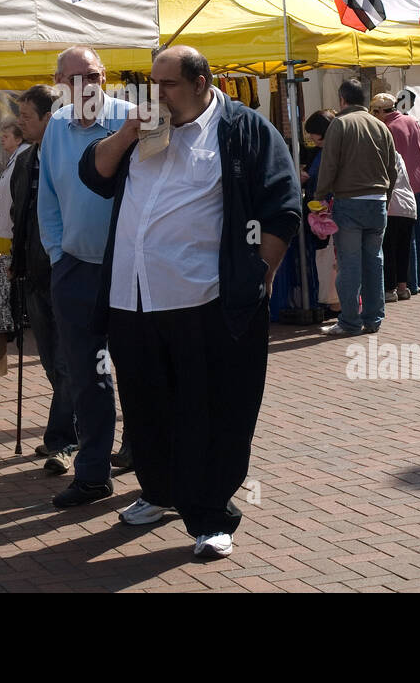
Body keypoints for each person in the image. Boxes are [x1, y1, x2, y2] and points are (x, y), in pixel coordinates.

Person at [80, 46, 299, 559]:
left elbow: (282, 208)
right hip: (132, 298)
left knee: (211, 410)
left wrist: (257, 276)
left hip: (204, 299)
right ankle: (158, 493)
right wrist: (129, 131)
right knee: (146, 406)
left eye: (167, 85)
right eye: (151, 85)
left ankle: (211, 515)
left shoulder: (242, 129)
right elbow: (96, 176)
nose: (155, 95)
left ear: (201, 84)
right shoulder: (143, 131)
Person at [38, 46, 130, 507]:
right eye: (74, 79)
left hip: (131, 268)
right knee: (86, 376)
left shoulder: (134, 119)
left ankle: (148, 466)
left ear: (105, 76)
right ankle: (92, 473)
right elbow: (48, 197)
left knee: (139, 368)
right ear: (59, 83)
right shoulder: (56, 127)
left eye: (92, 75)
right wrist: (58, 253)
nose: (85, 86)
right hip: (75, 268)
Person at [11, 85, 77, 472]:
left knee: (69, 364)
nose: (20, 123)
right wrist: (16, 261)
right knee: (53, 363)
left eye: (25, 117)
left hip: (66, 272)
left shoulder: (71, 157)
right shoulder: (24, 161)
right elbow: (21, 217)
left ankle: (62, 441)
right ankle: (77, 428)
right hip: (33, 275)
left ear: (49, 118)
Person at [312, 79, 397, 337]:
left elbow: (329, 165)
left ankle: (349, 321)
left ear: (342, 100)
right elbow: (392, 168)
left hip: (350, 202)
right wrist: (386, 196)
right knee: (374, 262)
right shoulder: (380, 126)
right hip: (378, 202)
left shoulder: (340, 124)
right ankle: (373, 319)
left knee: (349, 265)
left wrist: (319, 198)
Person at [372, 93, 420, 295]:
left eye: (374, 111)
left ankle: (410, 282)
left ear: (381, 111)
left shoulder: (385, 129)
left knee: (405, 238)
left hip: (401, 186)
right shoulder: (414, 121)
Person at [302, 111, 339, 319]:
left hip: (324, 213)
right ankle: (335, 303)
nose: (311, 139)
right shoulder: (330, 149)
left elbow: (309, 176)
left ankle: (335, 305)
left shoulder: (326, 153)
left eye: (313, 134)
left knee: (328, 258)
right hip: (326, 211)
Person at [382, 151, 418, 301]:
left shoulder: (384, 154)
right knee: (403, 249)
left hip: (393, 205)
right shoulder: (398, 154)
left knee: (389, 250)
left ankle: (390, 289)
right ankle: (402, 288)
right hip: (408, 205)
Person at [0, 117, 28, 241]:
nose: (2, 139)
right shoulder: (17, 156)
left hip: (19, 226)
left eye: (6, 136)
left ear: (18, 139)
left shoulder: (23, 157)